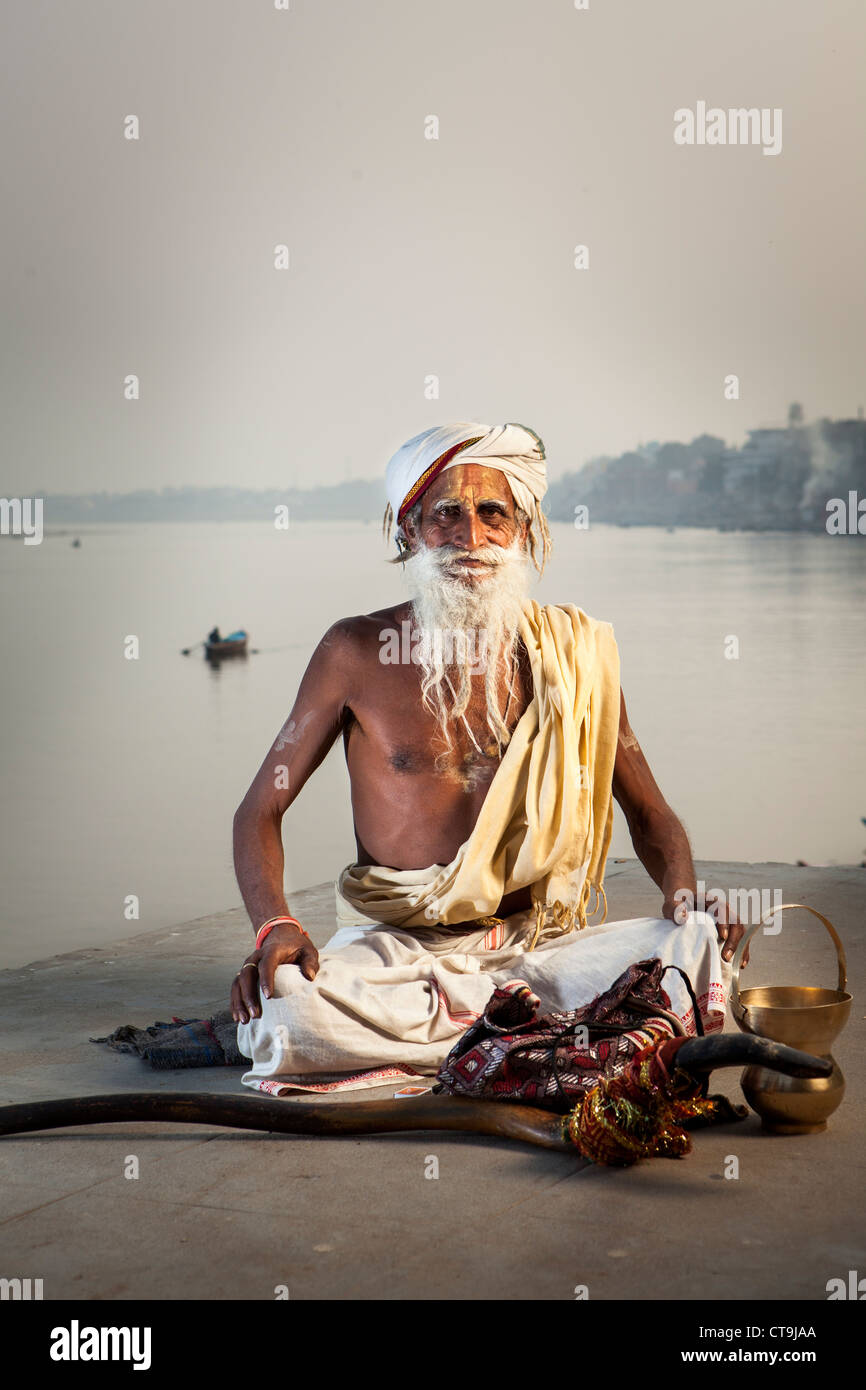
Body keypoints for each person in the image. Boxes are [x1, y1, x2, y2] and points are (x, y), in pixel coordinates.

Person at [230, 423, 745, 1095]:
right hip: (398, 953)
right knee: (289, 1010)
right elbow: (259, 810)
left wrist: (681, 894)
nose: (470, 536)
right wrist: (278, 927)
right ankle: (552, 1043)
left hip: (537, 950)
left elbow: (648, 810)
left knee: (696, 951)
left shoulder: (577, 656)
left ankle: (493, 1038)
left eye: (491, 513)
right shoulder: (354, 650)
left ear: (523, 531)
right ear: (407, 531)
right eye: (445, 514)